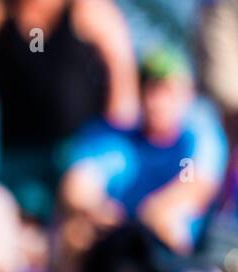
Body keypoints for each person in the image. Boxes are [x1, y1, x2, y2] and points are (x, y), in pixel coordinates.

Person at [0, 0, 138, 220]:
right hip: (18, 161)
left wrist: (111, 149)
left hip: (81, 154)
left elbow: (124, 98)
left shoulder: (88, 11)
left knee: (79, 196)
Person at [59, 48, 228, 256]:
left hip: (175, 258)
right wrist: (96, 209)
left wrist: (151, 215)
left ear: (187, 96)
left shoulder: (200, 134)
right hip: (116, 245)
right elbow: (79, 184)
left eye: (168, 91)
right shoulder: (117, 140)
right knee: (76, 232)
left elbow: (198, 186)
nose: (158, 101)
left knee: (168, 224)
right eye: (151, 89)